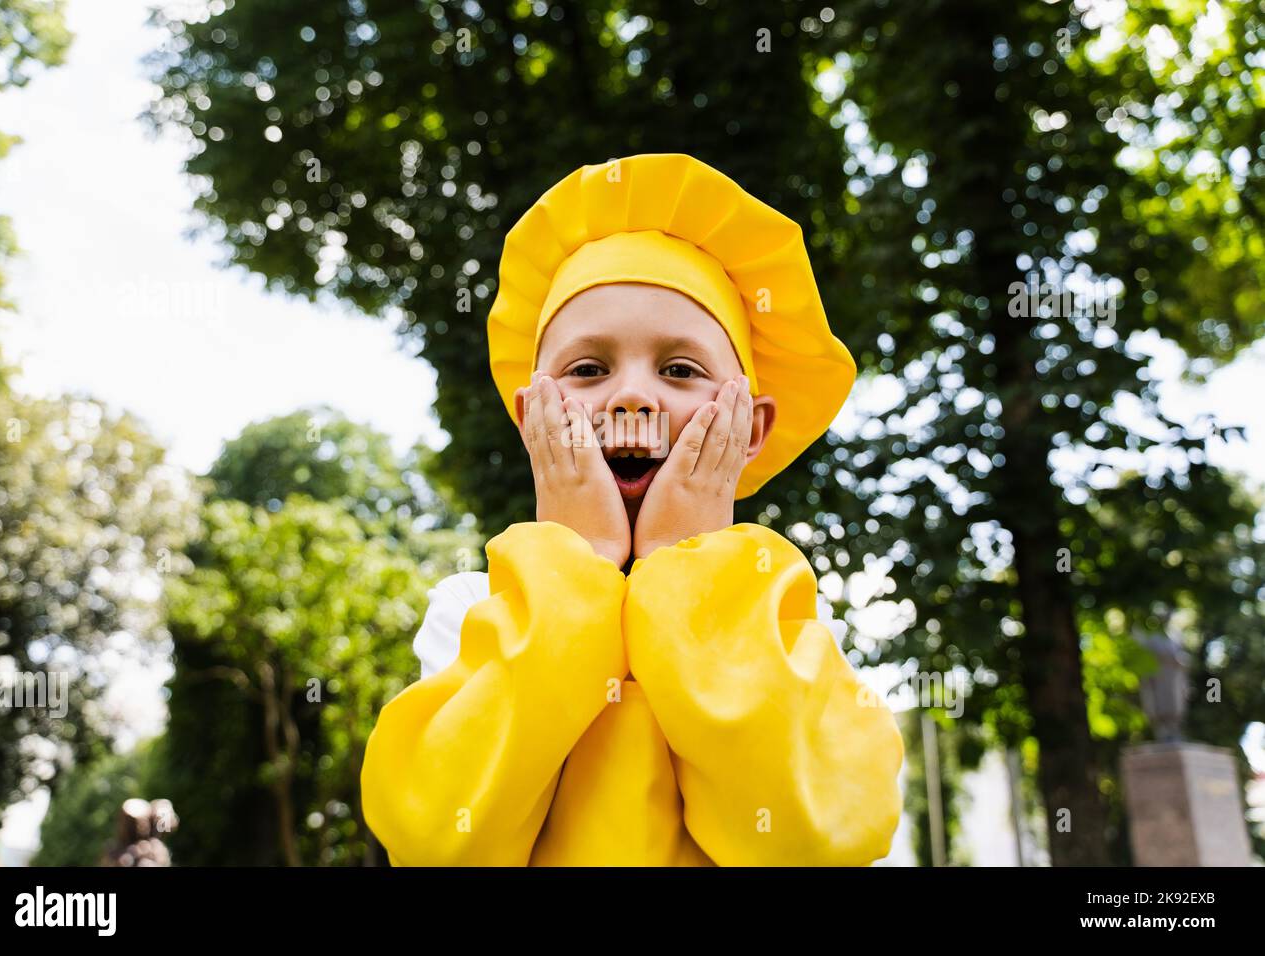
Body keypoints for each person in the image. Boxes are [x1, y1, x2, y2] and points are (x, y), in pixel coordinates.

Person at [361, 153, 904, 866]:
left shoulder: (786, 619)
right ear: (533, 420)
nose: (632, 398)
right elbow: (441, 840)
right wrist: (575, 562)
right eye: (588, 369)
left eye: (680, 370)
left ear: (751, 428)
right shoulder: (472, 609)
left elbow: (809, 841)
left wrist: (691, 570)